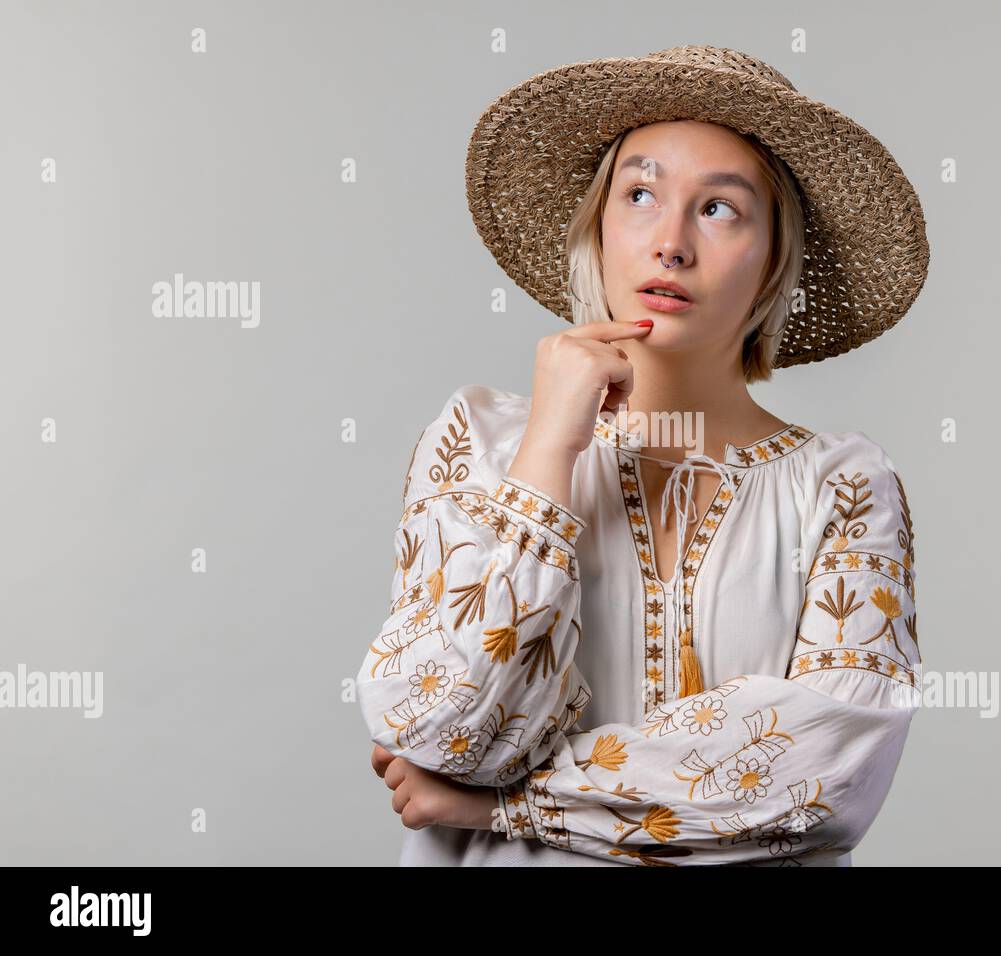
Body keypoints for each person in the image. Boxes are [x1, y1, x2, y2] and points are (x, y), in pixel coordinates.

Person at [355, 45, 930, 866]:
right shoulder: (478, 441)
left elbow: (822, 781)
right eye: (639, 195)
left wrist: (508, 806)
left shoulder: (843, 486)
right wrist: (550, 448)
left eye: (720, 209)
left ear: (775, 260)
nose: (671, 243)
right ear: (597, 227)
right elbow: (439, 727)